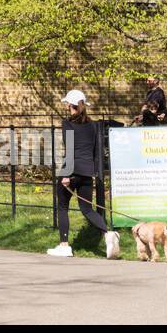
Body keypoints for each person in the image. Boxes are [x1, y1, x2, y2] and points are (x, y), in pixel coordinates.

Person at [47, 90, 121, 259]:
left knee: (63, 206)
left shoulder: (67, 124)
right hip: (87, 172)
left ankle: (64, 245)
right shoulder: (94, 125)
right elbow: (97, 152)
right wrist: (93, 171)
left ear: (70, 105)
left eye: (67, 103)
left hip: (71, 171)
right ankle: (107, 233)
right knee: (87, 209)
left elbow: (70, 150)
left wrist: (66, 174)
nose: (66, 106)